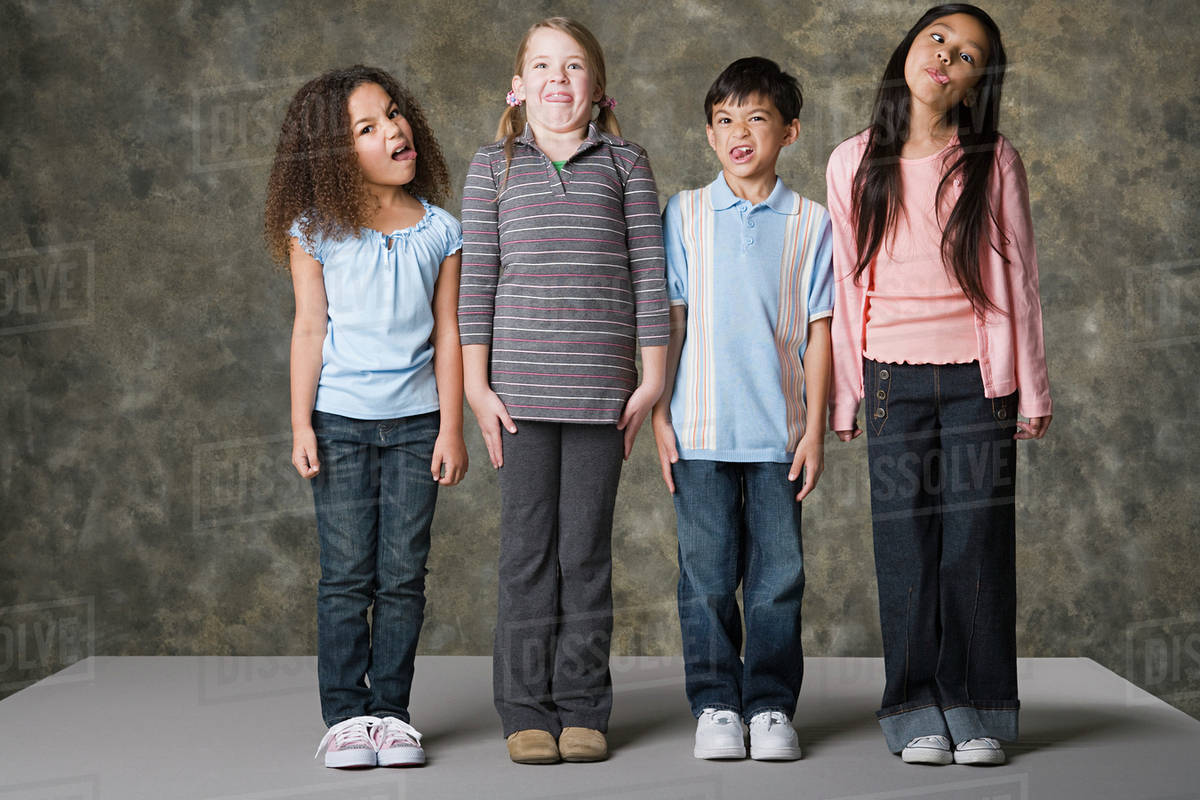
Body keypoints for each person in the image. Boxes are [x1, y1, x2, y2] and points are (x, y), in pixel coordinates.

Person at [826, 4, 1052, 766]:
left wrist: (1033, 389)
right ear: (909, 51)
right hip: (891, 381)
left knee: (974, 546)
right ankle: (915, 709)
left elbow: (1020, 279)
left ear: (973, 85)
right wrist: (847, 394)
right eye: (939, 39)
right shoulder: (851, 160)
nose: (948, 58)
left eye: (968, 56)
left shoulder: (995, 159)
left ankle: (976, 706)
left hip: (978, 383)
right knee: (905, 551)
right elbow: (846, 281)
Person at [459, 16, 669, 764]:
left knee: (584, 555)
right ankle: (523, 708)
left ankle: (582, 707)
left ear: (598, 87)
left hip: (599, 398)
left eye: (574, 66)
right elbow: (476, 282)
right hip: (516, 399)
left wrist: (652, 378)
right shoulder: (494, 168)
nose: (558, 79)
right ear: (518, 87)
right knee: (526, 556)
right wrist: (477, 388)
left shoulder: (626, 164)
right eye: (543, 66)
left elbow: (650, 272)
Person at [264, 65, 467, 768]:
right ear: (334, 155)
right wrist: (300, 426)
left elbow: (448, 334)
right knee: (347, 574)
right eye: (368, 127)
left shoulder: (441, 230)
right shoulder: (314, 231)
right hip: (340, 426)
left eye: (395, 114)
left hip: (417, 427)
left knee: (403, 575)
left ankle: (392, 712)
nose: (394, 130)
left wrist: (450, 427)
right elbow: (308, 330)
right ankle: (346, 717)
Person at [652, 57, 833, 762]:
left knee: (777, 578)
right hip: (697, 432)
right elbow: (670, 319)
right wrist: (661, 413)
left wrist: (813, 429)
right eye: (725, 120)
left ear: (788, 131)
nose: (739, 133)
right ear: (707, 132)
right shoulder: (686, 214)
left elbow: (821, 331)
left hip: (778, 435)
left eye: (757, 118)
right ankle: (717, 704)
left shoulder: (811, 223)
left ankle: (769, 706)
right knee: (703, 577)